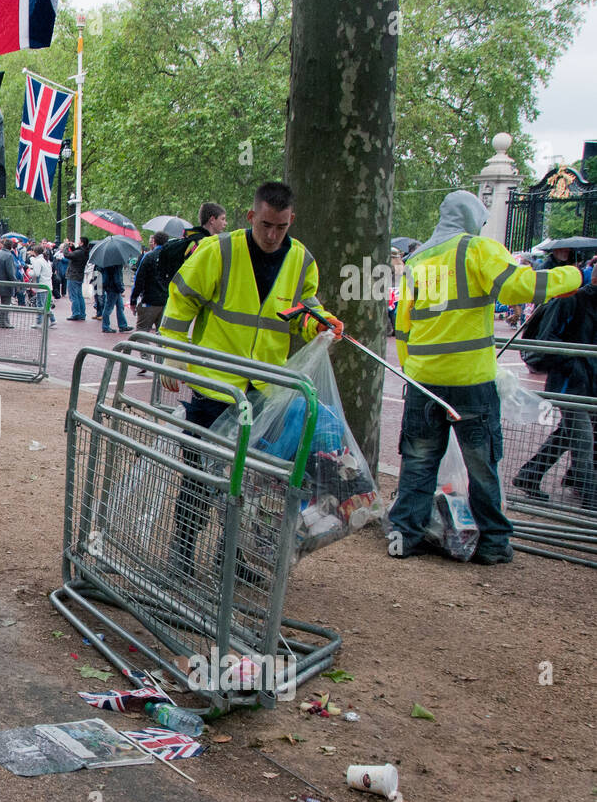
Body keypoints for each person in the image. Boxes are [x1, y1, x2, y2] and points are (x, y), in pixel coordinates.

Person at [388, 190, 584, 564]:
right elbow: (520, 288)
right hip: (471, 382)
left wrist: (413, 373)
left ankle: (404, 536)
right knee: (481, 464)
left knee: (417, 462)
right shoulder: (476, 249)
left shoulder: (419, 259)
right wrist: (572, 274)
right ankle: (493, 542)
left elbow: (404, 326)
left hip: (423, 381)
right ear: (472, 218)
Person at [161, 181, 341, 579]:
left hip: (264, 390)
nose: (273, 235)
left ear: (291, 220)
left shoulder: (302, 260)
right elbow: (181, 300)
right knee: (200, 476)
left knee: (248, 483)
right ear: (250, 217)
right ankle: (182, 554)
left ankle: (231, 558)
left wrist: (322, 325)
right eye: (265, 226)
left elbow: (305, 310)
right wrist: (171, 354)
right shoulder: (219, 250)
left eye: (281, 226)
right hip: (215, 387)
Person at [512, 282, 597, 509]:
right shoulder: (571, 301)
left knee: (567, 435)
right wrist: (575, 362)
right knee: (583, 440)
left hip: (587, 383)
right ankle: (591, 497)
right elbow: (548, 337)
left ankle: (529, 475)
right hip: (569, 383)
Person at [0, 237, 20, 328]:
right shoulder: (9, 256)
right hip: (6, 283)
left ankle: (1, 319)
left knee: (5, 302)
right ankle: (2, 321)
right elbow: (10, 272)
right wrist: (15, 283)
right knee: (6, 302)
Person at [27, 246, 55, 328]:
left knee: (40, 304)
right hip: (47, 284)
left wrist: (29, 272)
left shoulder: (38, 261)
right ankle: (53, 320)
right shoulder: (46, 260)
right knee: (47, 304)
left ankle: (39, 322)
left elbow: (37, 273)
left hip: (41, 285)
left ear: (35, 252)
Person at [100, 258, 129, 333]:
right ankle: (106, 326)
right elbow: (117, 278)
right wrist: (121, 288)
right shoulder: (116, 263)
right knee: (109, 307)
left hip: (110, 286)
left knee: (119, 306)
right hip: (114, 287)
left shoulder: (107, 261)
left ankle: (122, 325)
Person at [64, 237, 90, 320]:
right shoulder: (84, 252)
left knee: (73, 296)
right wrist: (72, 247)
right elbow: (75, 254)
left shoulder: (79, 252)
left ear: (82, 243)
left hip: (73, 275)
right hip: (79, 275)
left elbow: (67, 255)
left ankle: (76, 313)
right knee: (79, 295)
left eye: (79, 241)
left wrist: (66, 246)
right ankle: (82, 314)